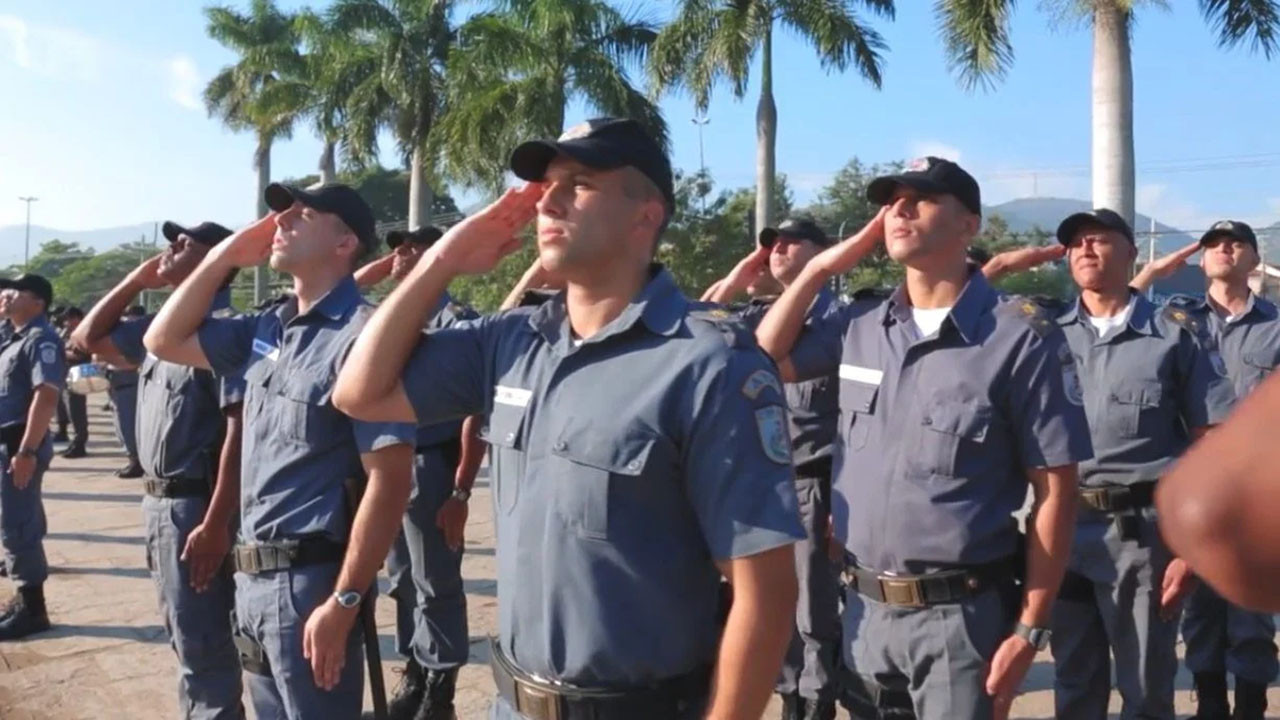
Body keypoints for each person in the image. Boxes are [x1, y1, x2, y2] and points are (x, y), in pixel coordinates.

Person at [332, 117, 805, 720]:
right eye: (545, 185)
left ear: (646, 214)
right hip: (513, 704)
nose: (548, 200)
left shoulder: (709, 362)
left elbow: (765, 591)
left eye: (578, 183)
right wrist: (444, 259)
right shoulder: (510, 341)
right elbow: (360, 394)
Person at [754, 157, 1093, 720]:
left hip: (959, 619)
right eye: (892, 202)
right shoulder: (861, 326)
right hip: (862, 612)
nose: (900, 211)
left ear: (970, 225)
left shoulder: (1019, 337)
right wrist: (817, 273)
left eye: (923, 199)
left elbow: (1056, 490)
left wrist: (1031, 628)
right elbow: (765, 356)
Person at [143, 184, 417, 719]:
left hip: (310, 583)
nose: (281, 224)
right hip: (250, 576)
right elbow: (163, 340)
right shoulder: (268, 326)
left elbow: (389, 480)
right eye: (280, 216)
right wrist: (226, 255)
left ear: (344, 242)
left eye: (302, 215)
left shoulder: (363, 334)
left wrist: (346, 600)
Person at [1038, 209, 1235, 720]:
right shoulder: (1043, 335)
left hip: (1141, 538)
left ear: (1130, 254)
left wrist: (1191, 548)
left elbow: (1214, 442)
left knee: (1146, 688)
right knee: (1073, 684)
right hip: (1060, 533)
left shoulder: (1175, 335)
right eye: (1075, 243)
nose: (1084, 250)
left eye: (1098, 240)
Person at [71, 219, 246, 719]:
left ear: (217, 262)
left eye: (185, 244)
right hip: (160, 504)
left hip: (196, 505)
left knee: (203, 639)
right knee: (182, 631)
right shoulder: (157, 333)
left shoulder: (224, 331)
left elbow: (237, 432)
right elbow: (87, 339)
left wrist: (216, 523)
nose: (171, 248)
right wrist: (134, 281)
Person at [1129, 221, 1278, 719]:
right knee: (1197, 610)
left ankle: (1252, 707)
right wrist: (1149, 273)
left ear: (1255, 259)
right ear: (1199, 259)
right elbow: (1107, 317)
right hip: (1190, 487)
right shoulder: (1172, 320)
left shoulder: (1276, 325)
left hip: (1259, 491)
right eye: (1213, 244)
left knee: (1253, 613)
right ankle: (1210, 702)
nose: (1223, 249)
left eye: (1236, 242)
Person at [704, 217, 843, 720]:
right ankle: (790, 698)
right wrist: (742, 273)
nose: (777, 249)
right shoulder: (756, 312)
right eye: (770, 245)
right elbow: (699, 323)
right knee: (767, 608)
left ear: (825, 252)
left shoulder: (840, 317)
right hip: (763, 485)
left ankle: (816, 703)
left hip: (818, 483)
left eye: (790, 242)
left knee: (814, 613)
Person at [353, 226, 485, 720]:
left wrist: (460, 490)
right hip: (389, 462)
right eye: (396, 247)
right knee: (401, 579)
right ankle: (414, 669)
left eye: (413, 246)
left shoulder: (458, 321)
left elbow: (477, 416)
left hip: (434, 462)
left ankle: (440, 690)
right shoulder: (386, 318)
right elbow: (344, 292)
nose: (401, 254)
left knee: (436, 582)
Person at [0, 274, 66, 639]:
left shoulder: (41, 339)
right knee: (17, 518)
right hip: (9, 444)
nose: (7, 296)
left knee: (17, 524)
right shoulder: (13, 337)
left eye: (17, 291)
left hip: (18, 444)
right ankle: (23, 595)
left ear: (38, 302)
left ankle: (33, 608)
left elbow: (46, 394)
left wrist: (26, 450)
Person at [58, 306, 90, 458]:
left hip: (78, 377)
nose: (67, 323)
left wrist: (61, 352)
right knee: (71, 410)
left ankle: (80, 444)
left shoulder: (84, 333)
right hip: (67, 375)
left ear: (78, 318)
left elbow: (79, 355)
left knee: (77, 412)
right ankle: (75, 442)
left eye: (70, 319)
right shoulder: (68, 333)